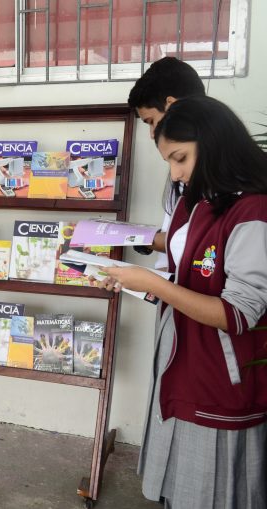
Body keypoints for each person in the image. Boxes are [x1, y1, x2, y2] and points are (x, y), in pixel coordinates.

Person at [98, 96, 267, 508]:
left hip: (221, 380)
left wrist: (153, 282)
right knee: (182, 492)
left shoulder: (253, 211)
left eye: (181, 158)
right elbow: (187, 275)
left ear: (214, 143)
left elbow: (238, 313)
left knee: (216, 494)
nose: (176, 174)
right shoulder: (204, 200)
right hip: (183, 363)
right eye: (170, 162)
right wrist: (143, 283)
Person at [127, 57, 205, 268]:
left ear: (172, 106)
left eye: (151, 121)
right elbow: (175, 240)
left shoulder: (239, 190)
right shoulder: (178, 174)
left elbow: (200, 247)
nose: (152, 134)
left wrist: (142, 238)